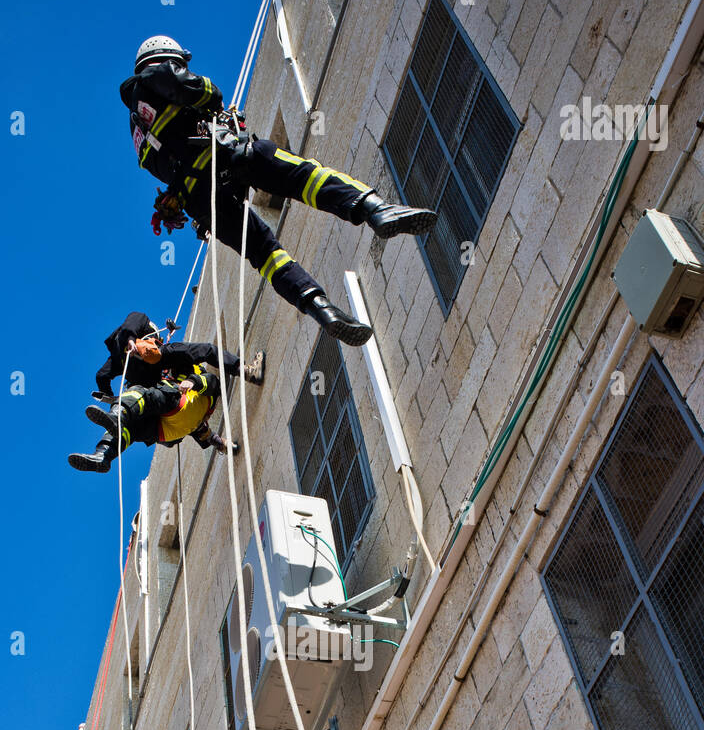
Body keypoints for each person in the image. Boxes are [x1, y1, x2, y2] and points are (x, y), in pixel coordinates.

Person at [120, 36, 438, 346]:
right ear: (166, 57)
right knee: (304, 176)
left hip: (202, 200)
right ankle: (375, 209)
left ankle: (320, 308)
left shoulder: (137, 128)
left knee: (265, 254)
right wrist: (212, 95)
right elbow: (189, 87)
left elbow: (163, 160)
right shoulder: (151, 78)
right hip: (227, 156)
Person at [69, 361, 239, 472]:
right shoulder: (178, 374)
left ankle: (117, 416)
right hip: (172, 430)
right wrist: (219, 442)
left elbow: (212, 381)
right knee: (132, 427)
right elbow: (201, 431)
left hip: (185, 405)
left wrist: (193, 382)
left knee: (140, 393)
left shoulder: (192, 369)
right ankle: (103, 456)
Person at [92, 311, 264, 400]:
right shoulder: (134, 325)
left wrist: (109, 396)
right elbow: (134, 321)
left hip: (148, 381)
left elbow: (101, 376)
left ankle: (207, 435)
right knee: (205, 350)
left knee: (171, 395)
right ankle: (247, 371)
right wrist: (131, 340)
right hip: (157, 358)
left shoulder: (115, 360)